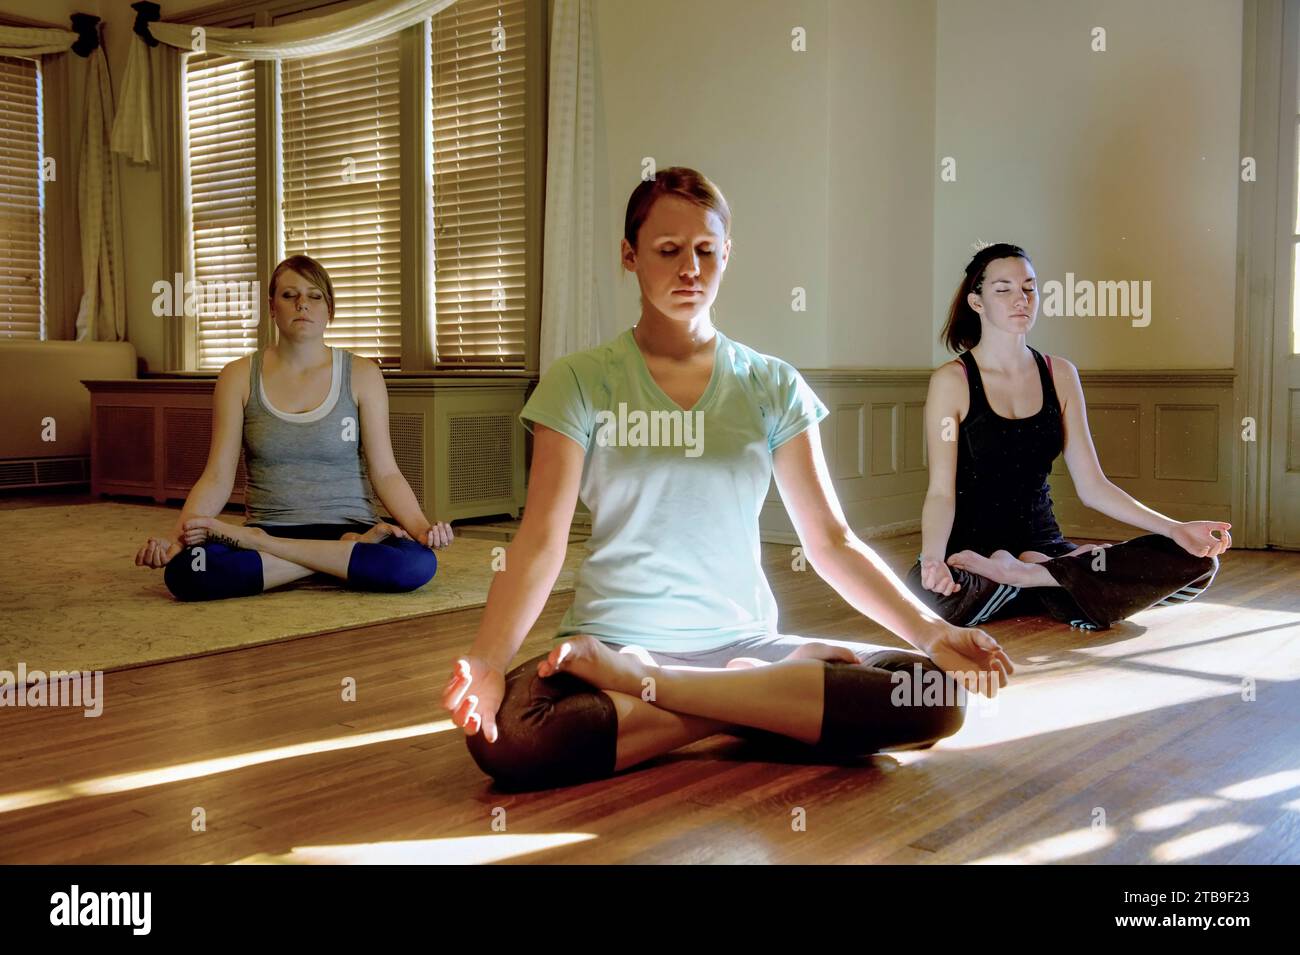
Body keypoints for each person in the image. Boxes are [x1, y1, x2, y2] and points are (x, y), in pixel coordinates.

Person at [440, 167, 1013, 792]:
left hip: (738, 645)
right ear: (630, 256)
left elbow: (830, 542)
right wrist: (489, 661)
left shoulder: (772, 384)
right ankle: (759, 707)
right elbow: (540, 543)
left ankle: (691, 696)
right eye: (667, 250)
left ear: (726, 255)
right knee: (514, 736)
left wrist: (933, 631)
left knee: (928, 692)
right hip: (611, 646)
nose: (690, 267)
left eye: (706, 250)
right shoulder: (579, 381)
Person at [906, 242, 1229, 631]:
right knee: (931, 596)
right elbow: (941, 492)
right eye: (1003, 289)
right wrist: (933, 561)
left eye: (1029, 287)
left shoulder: (1060, 374)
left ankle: (1033, 577)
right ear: (977, 302)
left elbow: (1093, 486)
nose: (1020, 299)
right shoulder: (952, 381)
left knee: (1198, 563)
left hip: (1048, 549)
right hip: (973, 557)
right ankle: (1064, 584)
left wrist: (1175, 529)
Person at [133, 254, 453, 600]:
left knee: (417, 564)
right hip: (276, 529)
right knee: (187, 573)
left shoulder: (362, 374)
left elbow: (386, 472)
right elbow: (217, 476)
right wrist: (180, 537)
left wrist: (420, 528)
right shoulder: (238, 376)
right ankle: (333, 560)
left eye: (315, 296)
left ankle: (277, 552)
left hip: (350, 528)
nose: (303, 304)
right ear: (272, 307)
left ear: (329, 309)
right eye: (289, 295)